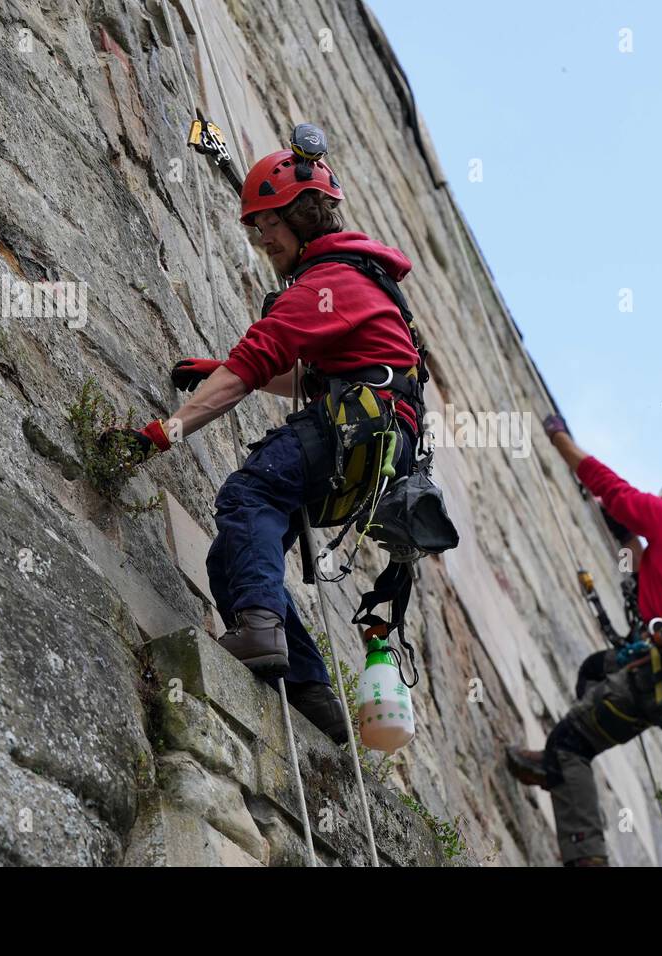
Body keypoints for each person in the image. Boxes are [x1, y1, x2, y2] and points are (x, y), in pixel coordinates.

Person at [106, 126, 424, 743]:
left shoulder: (325, 285)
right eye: (253, 230)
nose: (260, 242)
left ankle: (258, 627)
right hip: (376, 436)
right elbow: (307, 378)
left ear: (302, 216)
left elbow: (256, 368)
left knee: (248, 496)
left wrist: (159, 433)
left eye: (267, 226)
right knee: (232, 555)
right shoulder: (355, 282)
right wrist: (219, 371)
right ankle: (309, 688)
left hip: (358, 425)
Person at [506, 415, 662, 866]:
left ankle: (585, 850)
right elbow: (659, 590)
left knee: (568, 747)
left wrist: (559, 439)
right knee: (595, 670)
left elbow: (610, 488)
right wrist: (627, 543)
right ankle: (574, 745)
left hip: (661, 676)